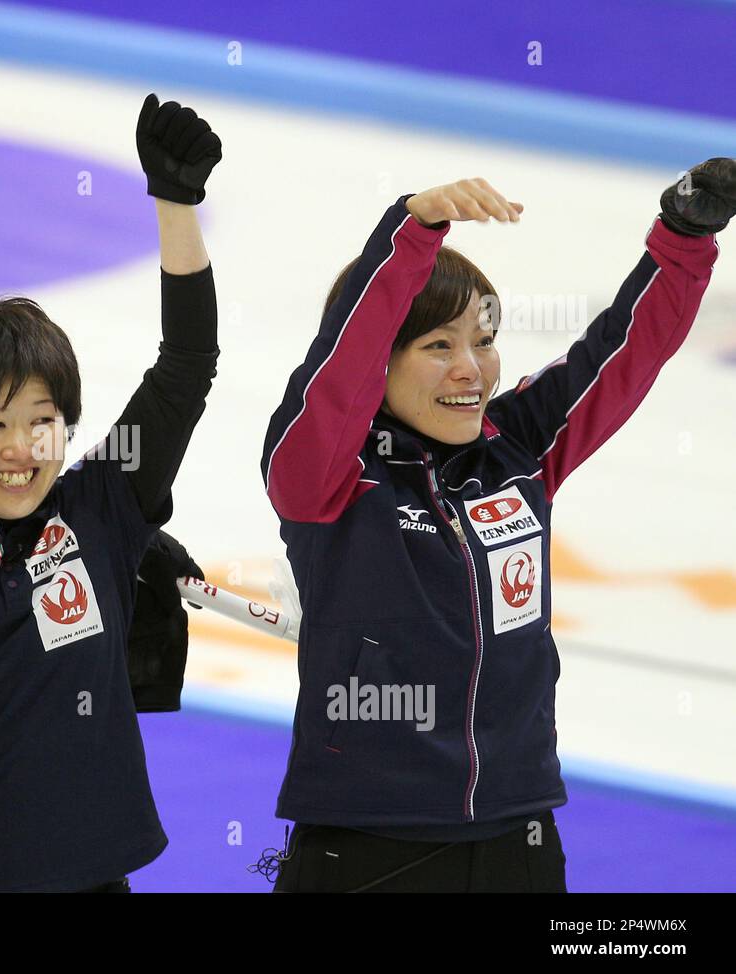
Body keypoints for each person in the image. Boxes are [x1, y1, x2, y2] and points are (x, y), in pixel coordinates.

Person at [259, 161, 733, 892]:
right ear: (379, 363)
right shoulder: (325, 475)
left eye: (483, 341)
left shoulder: (518, 446)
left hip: (522, 834)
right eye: (438, 346)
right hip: (369, 846)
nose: (471, 370)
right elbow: (336, 368)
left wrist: (682, 239)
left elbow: (624, 352)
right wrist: (411, 232)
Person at [0, 94, 221, 892]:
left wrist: (175, 204)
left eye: (43, 421)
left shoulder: (99, 509)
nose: (23, 449)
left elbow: (186, 365)